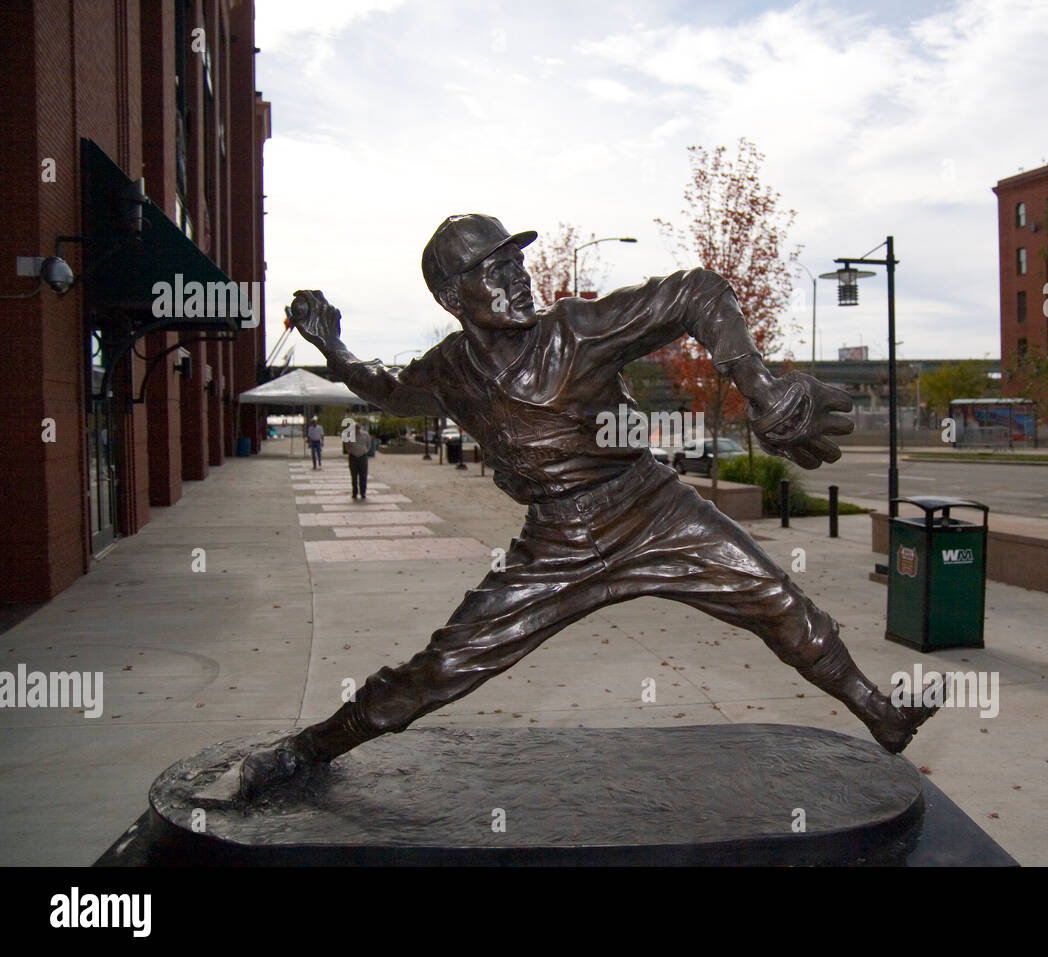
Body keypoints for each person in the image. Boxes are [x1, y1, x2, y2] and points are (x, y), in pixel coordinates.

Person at [240, 213, 939, 799]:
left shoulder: (576, 329)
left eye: (518, 262)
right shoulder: (450, 370)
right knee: (443, 666)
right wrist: (332, 345)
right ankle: (308, 749)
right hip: (557, 540)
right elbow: (388, 389)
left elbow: (695, 292)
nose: (519, 276)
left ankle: (880, 713)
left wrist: (756, 381)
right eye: (496, 268)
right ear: (453, 297)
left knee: (778, 601)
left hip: (652, 508)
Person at [345, 423, 372, 499]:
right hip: (353, 456)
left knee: (363, 475)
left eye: (357, 428)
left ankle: (363, 492)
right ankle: (354, 492)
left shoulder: (365, 435)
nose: (356, 430)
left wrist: (365, 451)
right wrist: (350, 451)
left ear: (359, 428)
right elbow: (346, 445)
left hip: (362, 456)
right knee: (354, 476)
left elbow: (369, 444)